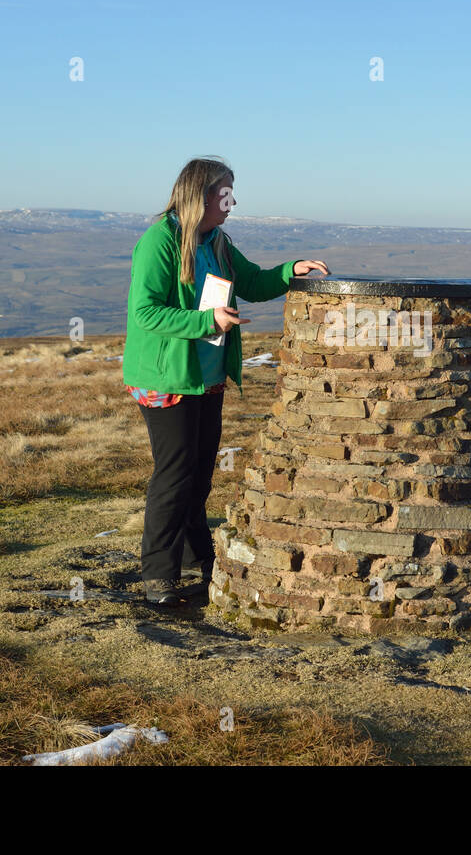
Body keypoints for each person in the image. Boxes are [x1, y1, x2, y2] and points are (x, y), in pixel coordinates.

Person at [122, 157, 329, 606]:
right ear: (200, 195)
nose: (232, 202)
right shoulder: (160, 242)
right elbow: (145, 312)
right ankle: (158, 575)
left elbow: (251, 281)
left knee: (197, 478)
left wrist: (291, 270)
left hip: (207, 376)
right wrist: (206, 319)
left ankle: (202, 563)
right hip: (167, 378)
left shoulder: (216, 241)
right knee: (174, 476)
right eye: (225, 194)